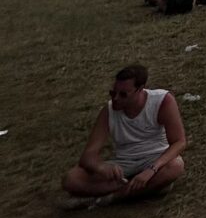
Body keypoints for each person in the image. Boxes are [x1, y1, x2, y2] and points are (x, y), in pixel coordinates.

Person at [62, 64, 187, 202]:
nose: (116, 98)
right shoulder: (109, 111)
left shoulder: (162, 101)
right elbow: (88, 156)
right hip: (124, 163)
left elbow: (179, 142)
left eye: (123, 95)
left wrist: (152, 169)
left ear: (140, 89)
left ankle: (112, 197)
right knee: (72, 179)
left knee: (176, 166)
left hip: (155, 158)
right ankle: (141, 188)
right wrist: (101, 167)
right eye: (112, 93)